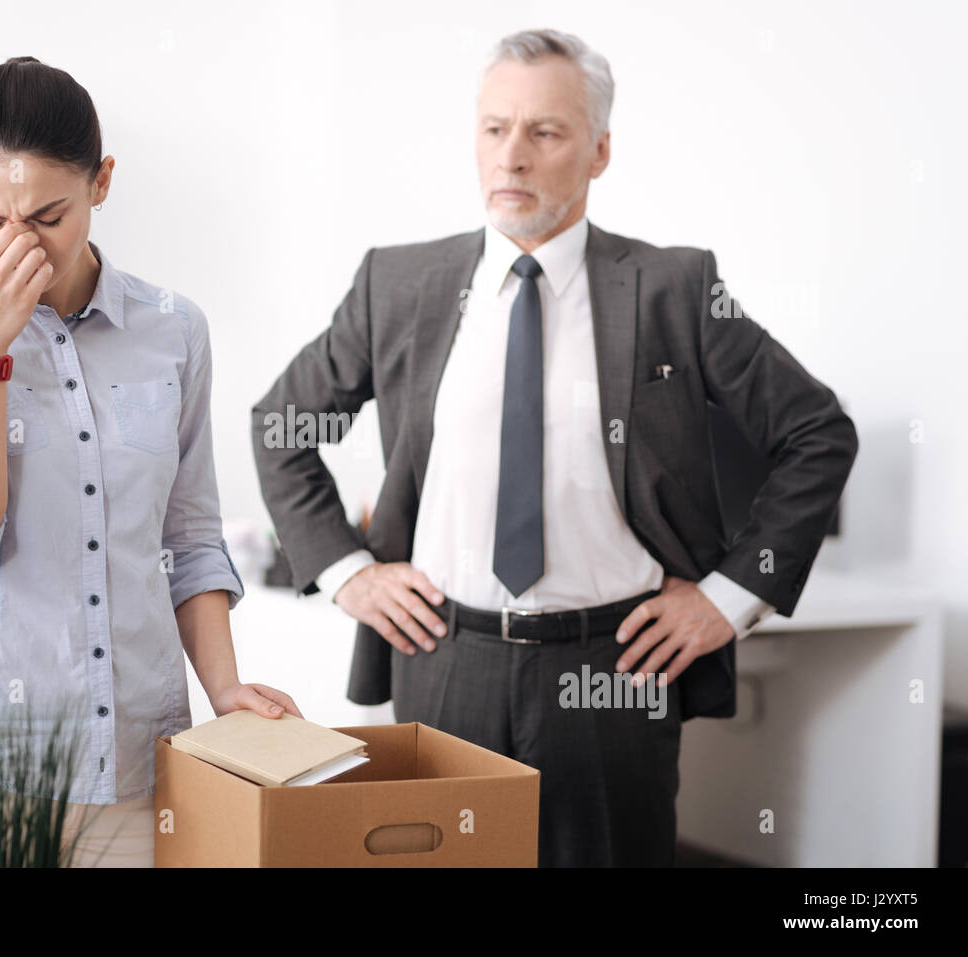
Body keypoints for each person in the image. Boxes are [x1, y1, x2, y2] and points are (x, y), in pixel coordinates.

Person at [250, 29, 857, 866]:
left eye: (546, 132)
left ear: (599, 150)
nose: (514, 157)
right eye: (495, 128)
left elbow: (817, 433)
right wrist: (348, 573)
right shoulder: (398, 284)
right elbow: (281, 424)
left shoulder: (674, 288)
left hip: (616, 672)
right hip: (442, 658)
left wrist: (727, 596)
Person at [0, 56, 300, 868]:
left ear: (101, 183)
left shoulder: (173, 329)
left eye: (48, 216)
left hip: (137, 767)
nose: (17, 246)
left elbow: (191, 535)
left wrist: (225, 685)